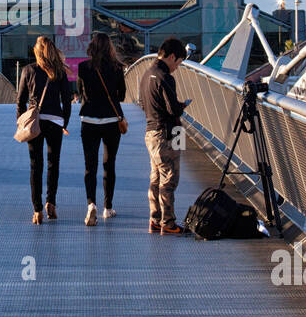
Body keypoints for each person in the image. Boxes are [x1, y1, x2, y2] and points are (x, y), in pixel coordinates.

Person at [17, 35, 73, 224]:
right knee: (53, 163)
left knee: (35, 165)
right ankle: (51, 203)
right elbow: (67, 100)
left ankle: (37, 210)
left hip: (35, 122)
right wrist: (64, 122)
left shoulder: (28, 70)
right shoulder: (60, 71)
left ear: (36, 51)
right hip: (55, 121)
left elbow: (20, 100)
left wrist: (21, 122)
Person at [139, 36, 191, 235]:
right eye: (178, 62)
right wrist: (183, 105)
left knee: (155, 178)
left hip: (151, 132)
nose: (178, 67)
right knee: (169, 179)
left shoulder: (146, 74)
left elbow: (143, 104)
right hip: (167, 134)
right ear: (171, 57)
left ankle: (155, 219)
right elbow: (173, 110)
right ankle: (168, 223)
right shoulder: (165, 76)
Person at [75, 32, 127, 226]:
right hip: (111, 121)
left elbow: (81, 93)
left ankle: (91, 205)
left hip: (89, 120)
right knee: (109, 164)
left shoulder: (83, 67)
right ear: (109, 48)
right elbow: (121, 95)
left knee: (90, 166)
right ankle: (108, 207)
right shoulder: (117, 68)